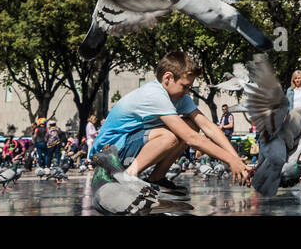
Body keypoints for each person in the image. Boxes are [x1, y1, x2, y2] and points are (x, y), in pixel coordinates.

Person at [91, 50, 250, 188]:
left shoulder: (181, 98)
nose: (187, 91)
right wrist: (229, 160)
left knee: (192, 124)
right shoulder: (155, 94)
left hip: (128, 143)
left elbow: (209, 127)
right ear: (168, 78)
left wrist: (236, 160)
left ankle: (156, 179)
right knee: (171, 136)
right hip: (108, 151)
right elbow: (191, 138)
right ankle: (127, 177)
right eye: (185, 86)